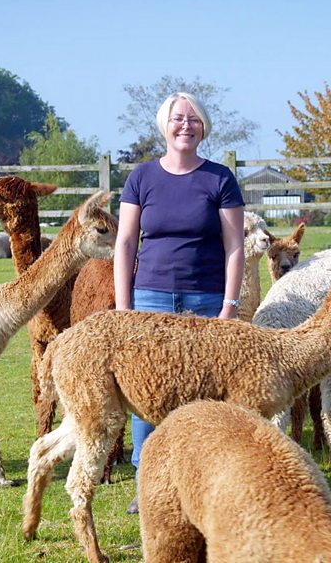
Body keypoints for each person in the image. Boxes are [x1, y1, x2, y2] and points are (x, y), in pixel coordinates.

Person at [114, 91, 246, 514]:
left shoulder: (220, 179)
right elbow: (125, 243)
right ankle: (147, 481)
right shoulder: (141, 178)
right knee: (147, 390)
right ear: (164, 126)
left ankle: (202, 481)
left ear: (203, 127)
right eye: (178, 118)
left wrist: (229, 305)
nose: (185, 125)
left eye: (193, 119)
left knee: (204, 391)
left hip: (205, 299)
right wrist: (123, 307)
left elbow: (235, 247)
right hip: (149, 298)